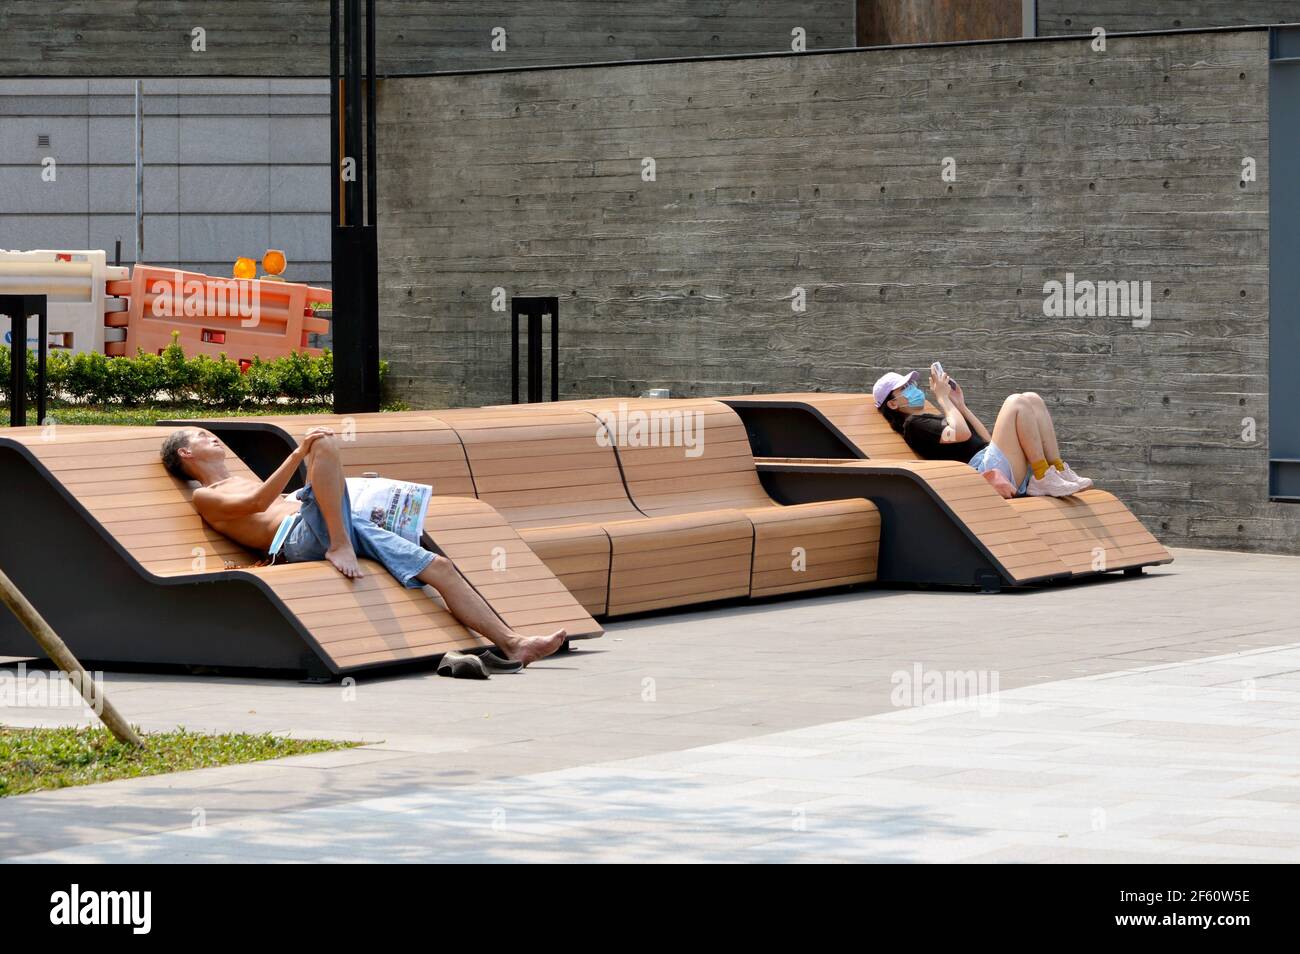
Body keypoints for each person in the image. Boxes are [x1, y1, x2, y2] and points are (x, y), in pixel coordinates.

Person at [160, 426, 566, 666]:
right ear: (186, 453)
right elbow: (259, 504)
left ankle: (513, 645)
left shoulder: (243, 476)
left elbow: (289, 496)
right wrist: (300, 454)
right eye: (202, 436)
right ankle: (341, 544)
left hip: (325, 523)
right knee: (323, 446)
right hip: (298, 541)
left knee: (439, 566)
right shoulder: (207, 494)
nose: (212, 437)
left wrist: (352, 489)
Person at [872, 366, 1093, 498]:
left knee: (1032, 399)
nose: (914, 388)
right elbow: (962, 434)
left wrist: (960, 405)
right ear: (892, 404)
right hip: (982, 474)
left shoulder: (930, 418)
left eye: (912, 384)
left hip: (991, 461)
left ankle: (1056, 468)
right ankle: (1042, 475)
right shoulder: (913, 425)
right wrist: (942, 399)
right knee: (1015, 401)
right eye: (905, 388)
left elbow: (986, 441)